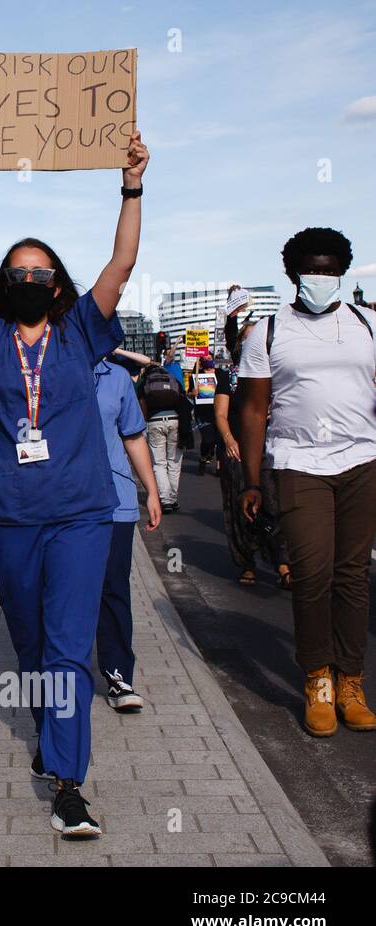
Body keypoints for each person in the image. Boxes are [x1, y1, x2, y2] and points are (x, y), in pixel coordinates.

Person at [0, 127, 149, 838]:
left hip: (82, 515)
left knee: (71, 649)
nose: (29, 280)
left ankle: (69, 781)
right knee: (34, 643)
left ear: (58, 284)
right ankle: (54, 738)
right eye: (18, 271)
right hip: (12, 520)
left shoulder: (82, 330)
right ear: (5, 282)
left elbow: (124, 261)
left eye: (40, 271)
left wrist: (131, 183)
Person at [238, 226, 376, 737]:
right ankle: (317, 679)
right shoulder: (268, 332)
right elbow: (254, 411)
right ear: (293, 273)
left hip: (363, 459)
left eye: (330, 270)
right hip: (299, 463)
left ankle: (351, 681)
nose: (321, 277)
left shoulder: (366, 324)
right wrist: (252, 481)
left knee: (352, 576)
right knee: (312, 574)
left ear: (341, 272)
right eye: (312, 269)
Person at [92, 355, 164, 714]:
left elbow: (133, 436)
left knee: (112, 586)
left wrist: (151, 489)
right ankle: (62, 674)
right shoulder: (46, 370)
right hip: (61, 502)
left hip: (114, 499)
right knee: (61, 590)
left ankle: (118, 674)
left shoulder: (117, 376)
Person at [215, 289, 291, 588]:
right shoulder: (229, 376)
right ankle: (246, 563)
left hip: (268, 451)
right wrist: (230, 440)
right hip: (238, 452)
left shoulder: (273, 376)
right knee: (239, 507)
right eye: (247, 339)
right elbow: (221, 415)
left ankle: (283, 562)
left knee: (273, 507)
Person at [136, 358, 191, 512]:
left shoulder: (145, 382)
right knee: (174, 461)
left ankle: (165, 499)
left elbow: (139, 403)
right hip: (175, 420)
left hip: (154, 422)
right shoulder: (172, 379)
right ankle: (173, 499)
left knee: (159, 463)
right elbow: (183, 401)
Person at [191, 355, 218, 475]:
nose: (208, 360)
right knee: (207, 439)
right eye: (205, 359)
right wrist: (193, 392)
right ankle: (203, 458)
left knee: (217, 440)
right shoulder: (197, 375)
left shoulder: (220, 373)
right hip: (202, 412)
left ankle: (219, 467)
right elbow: (190, 392)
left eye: (209, 358)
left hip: (217, 411)